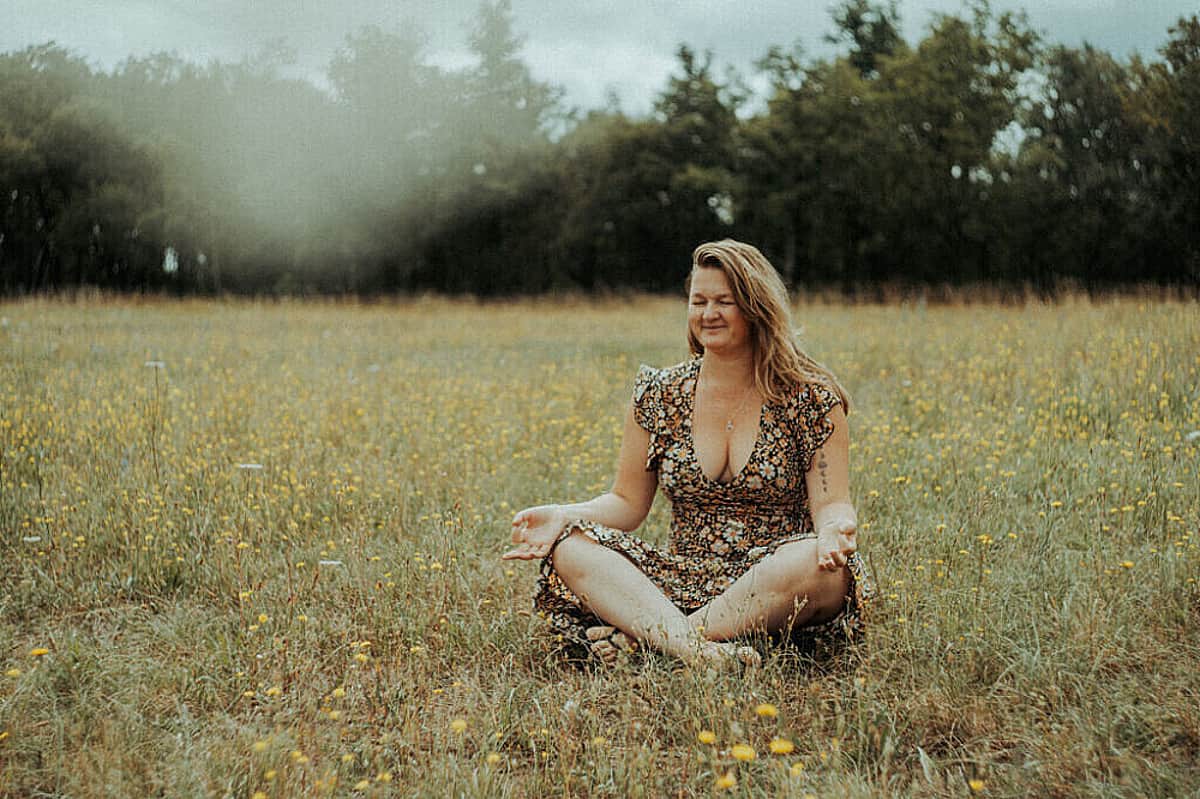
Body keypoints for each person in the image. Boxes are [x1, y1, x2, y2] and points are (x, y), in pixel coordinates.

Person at [502, 239, 870, 666]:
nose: (707, 314)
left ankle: (651, 641)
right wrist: (564, 515)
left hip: (775, 581)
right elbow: (626, 503)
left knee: (817, 565)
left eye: (724, 302)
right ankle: (695, 650)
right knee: (570, 546)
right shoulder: (659, 393)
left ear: (756, 307)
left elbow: (832, 501)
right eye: (698, 301)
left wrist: (834, 530)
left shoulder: (811, 397)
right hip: (682, 579)